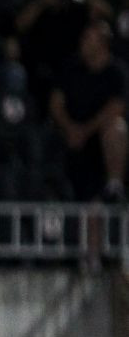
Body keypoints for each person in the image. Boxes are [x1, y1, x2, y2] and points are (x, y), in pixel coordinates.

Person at [50, 20, 128, 203]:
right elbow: (55, 103)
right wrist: (70, 128)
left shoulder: (117, 72)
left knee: (117, 128)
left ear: (103, 43)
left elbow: (116, 108)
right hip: (70, 135)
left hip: (99, 137)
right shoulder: (71, 67)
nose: (83, 42)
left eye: (88, 38)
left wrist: (85, 131)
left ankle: (114, 186)